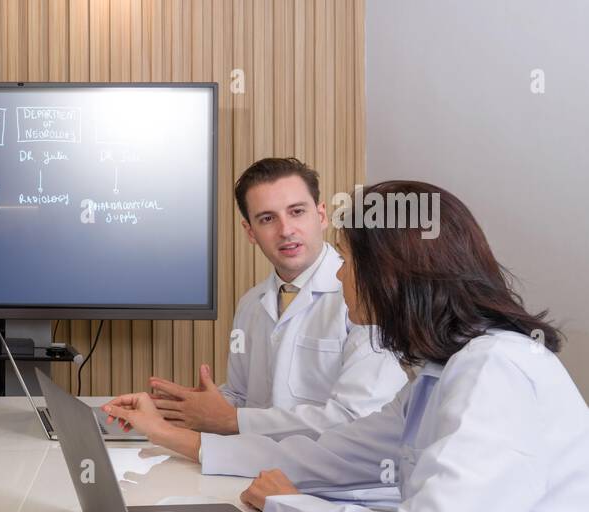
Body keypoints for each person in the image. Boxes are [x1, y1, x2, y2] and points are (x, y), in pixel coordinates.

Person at [102, 181, 589, 512]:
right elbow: (326, 454)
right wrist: (171, 436)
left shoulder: (497, 372)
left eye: (351, 260)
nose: (339, 272)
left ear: (392, 277)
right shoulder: (440, 374)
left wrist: (289, 506)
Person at [149, 157, 405, 439]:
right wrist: (183, 407)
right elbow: (242, 398)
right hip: (261, 469)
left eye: (296, 212)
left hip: (340, 478)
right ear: (250, 232)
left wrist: (232, 419)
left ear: (321, 216)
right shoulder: (250, 304)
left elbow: (355, 417)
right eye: (267, 219)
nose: (285, 230)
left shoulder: (367, 300)